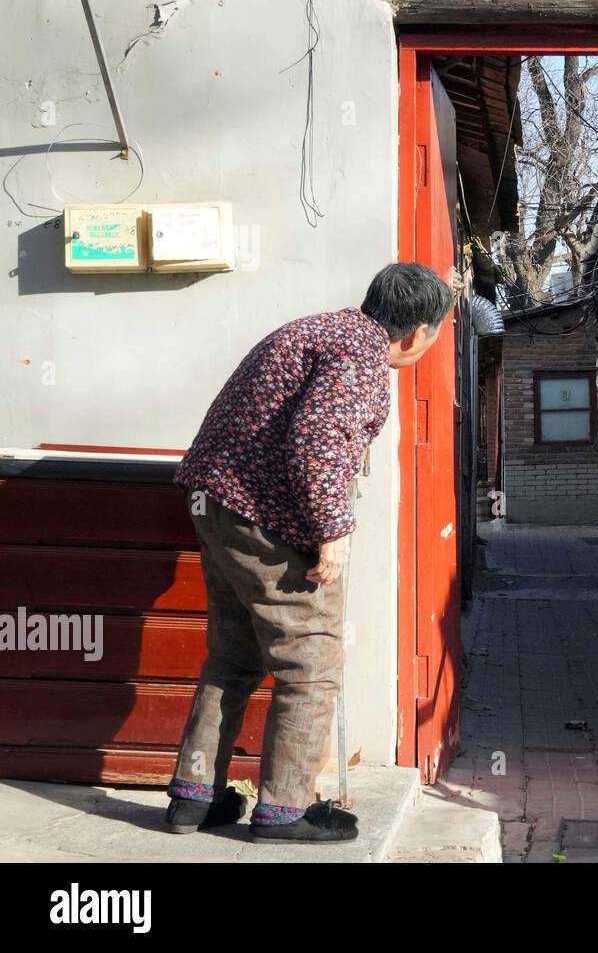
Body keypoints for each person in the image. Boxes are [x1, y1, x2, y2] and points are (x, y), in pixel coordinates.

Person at [164, 262, 454, 842]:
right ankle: (282, 811)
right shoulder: (362, 357)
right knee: (311, 669)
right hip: (266, 520)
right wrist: (333, 530)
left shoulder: (316, 331)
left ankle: (194, 800)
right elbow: (317, 440)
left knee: (233, 658)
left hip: (214, 506)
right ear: (418, 332)